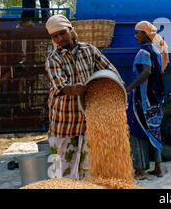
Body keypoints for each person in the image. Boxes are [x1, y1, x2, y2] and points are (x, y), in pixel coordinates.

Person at [45, 14, 120, 179]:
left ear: (71, 30)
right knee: (62, 171)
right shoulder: (53, 59)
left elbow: (110, 70)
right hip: (64, 121)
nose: (59, 38)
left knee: (89, 168)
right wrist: (76, 88)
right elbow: (62, 87)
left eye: (62, 33)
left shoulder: (89, 50)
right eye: (55, 36)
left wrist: (111, 88)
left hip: (89, 120)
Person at [126, 21, 169, 180]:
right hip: (156, 98)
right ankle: (158, 168)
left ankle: (140, 171)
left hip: (144, 99)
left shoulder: (143, 51)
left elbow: (146, 72)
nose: (135, 35)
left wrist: (129, 88)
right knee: (154, 130)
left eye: (137, 32)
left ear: (144, 34)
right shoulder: (157, 51)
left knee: (137, 131)